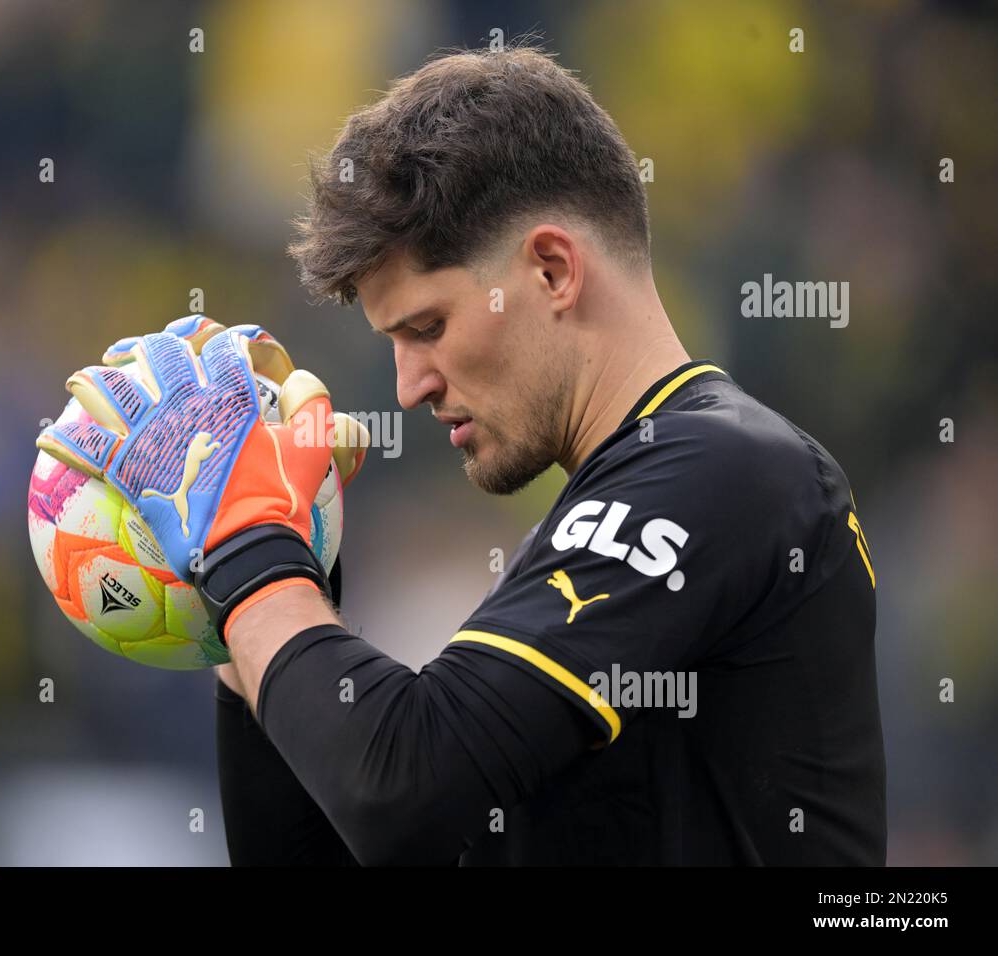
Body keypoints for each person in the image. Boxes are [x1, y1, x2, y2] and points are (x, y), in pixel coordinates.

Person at [206, 45, 886, 866]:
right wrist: (262, 615)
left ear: (554, 269)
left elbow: (401, 789)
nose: (408, 389)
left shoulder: (729, 468)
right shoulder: (581, 533)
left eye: (427, 328)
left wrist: (250, 558)